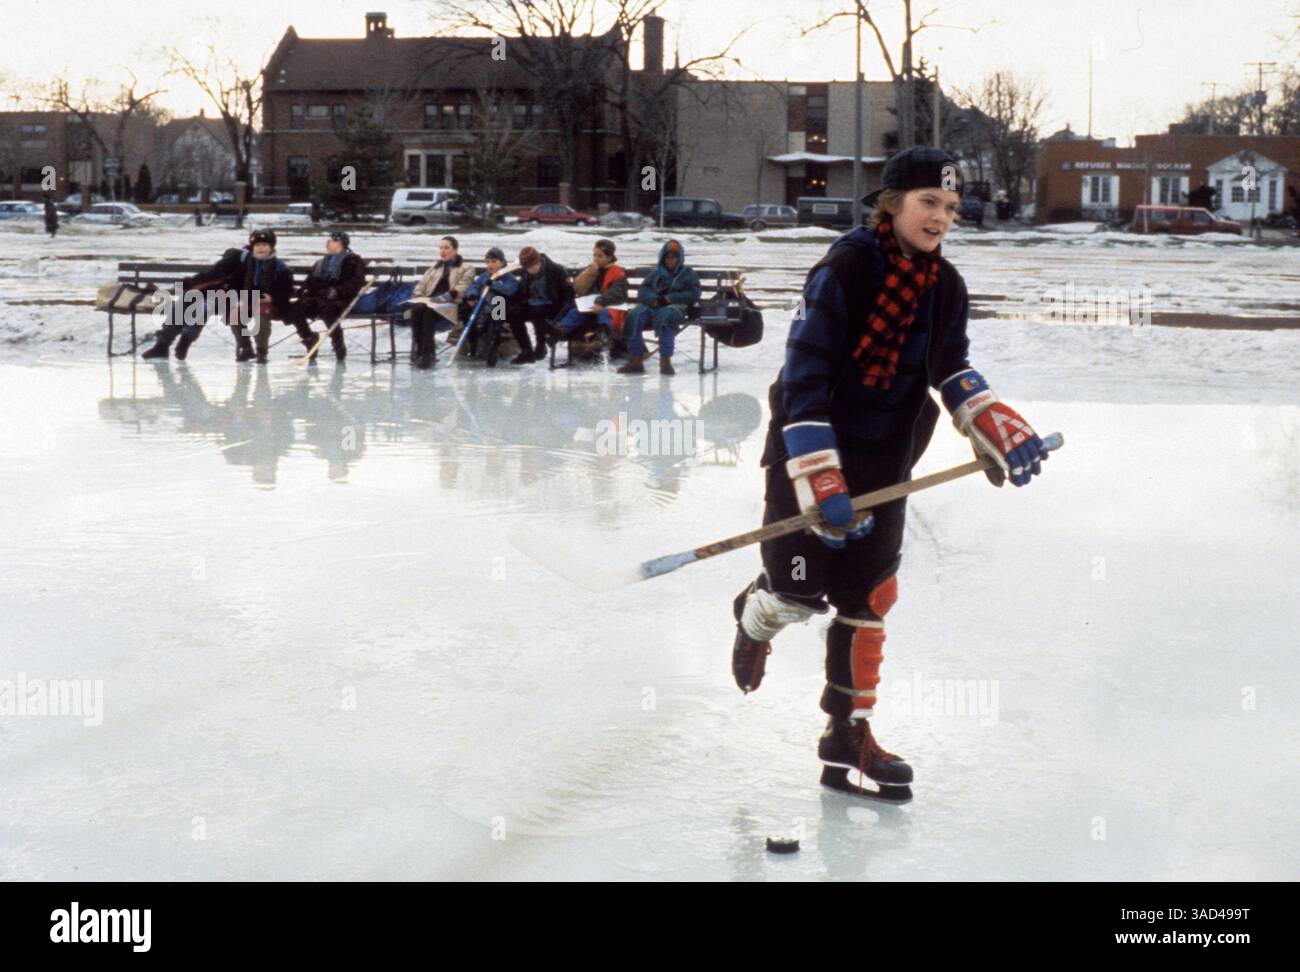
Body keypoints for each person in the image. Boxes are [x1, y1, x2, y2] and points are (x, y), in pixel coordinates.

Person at [728, 146, 1051, 798]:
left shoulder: (945, 286)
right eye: (929, 202)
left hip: (885, 461)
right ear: (893, 203)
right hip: (808, 450)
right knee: (796, 594)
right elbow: (804, 375)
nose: (941, 218)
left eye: (952, 208)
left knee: (868, 597)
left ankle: (848, 737)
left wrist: (991, 421)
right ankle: (755, 614)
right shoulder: (845, 269)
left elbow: (949, 369)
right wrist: (820, 474)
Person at [140, 229, 293, 363]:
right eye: (257, 245)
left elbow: (284, 289)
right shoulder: (239, 259)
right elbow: (213, 276)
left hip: (239, 301)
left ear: (271, 247)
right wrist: (187, 286)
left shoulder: (277, 266)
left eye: (264, 245)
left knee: (206, 305)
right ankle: (162, 345)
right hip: (227, 296)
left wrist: (271, 298)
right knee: (187, 300)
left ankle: (185, 339)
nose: (260, 248)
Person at [617, 239, 699, 376]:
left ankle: (665, 362)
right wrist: (654, 300)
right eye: (667, 257)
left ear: (680, 258)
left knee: (666, 317)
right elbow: (643, 290)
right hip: (652, 306)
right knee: (634, 316)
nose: (670, 260)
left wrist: (669, 298)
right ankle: (636, 360)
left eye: (674, 257)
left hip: (675, 307)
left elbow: (693, 293)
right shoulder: (656, 273)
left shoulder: (688, 273)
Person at [285, 230, 366, 360]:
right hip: (318, 297)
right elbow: (310, 280)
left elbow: (354, 282)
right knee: (295, 308)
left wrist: (336, 291)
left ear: (340, 243)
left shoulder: (352, 260)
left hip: (340, 299)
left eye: (331, 241)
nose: (327, 243)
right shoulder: (322, 262)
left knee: (328, 310)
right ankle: (309, 338)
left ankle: (338, 343)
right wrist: (305, 289)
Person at [407, 235, 475, 369]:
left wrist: (443, 298)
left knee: (428, 313)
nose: (442, 251)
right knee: (418, 309)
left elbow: (462, 288)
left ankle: (428, 354)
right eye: (441, 248)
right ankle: (418, 349)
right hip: (430, 302)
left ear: (455, 250)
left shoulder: (466, 268)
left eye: (446, 248)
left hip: (451, 304)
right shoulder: (434, 269)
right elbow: (421, 286)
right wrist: (418, 296)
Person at [553, 239, 628, 353]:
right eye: (594, 255)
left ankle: (603, 337)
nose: (595, 259)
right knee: (575, 312)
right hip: (590, 307)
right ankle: (558, 331)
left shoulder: (618, 272)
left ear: (609, 257)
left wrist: (600, 301)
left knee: (604, 314)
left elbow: (617, 293)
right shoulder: (592, 269)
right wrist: (590, 273)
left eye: (600, 256)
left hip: (609, 307)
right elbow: (579, 289)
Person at [459, 246, 522, 365]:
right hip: (484, 309)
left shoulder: (508, 277)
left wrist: (494, 285)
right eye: (487, 262)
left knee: (498, 307)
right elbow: (475, 286)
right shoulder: (484, 276)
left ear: (502, 262)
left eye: (493, 261)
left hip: (501, 310)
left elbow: (510, 290)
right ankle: (472, 344)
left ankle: (492, 350)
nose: (490, 265)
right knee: (465, 310)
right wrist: (471, 295)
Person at [512, 246, 573, 365]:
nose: (530, 270)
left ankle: (541, 346)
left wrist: (562, 315)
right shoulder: (525, 272)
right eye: (527, 268)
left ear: (538, 261)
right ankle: (526, 350)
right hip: (531, 304)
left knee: (536, 312)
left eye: (532, 266)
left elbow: (567, 296)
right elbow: (520, 293)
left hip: (552, 305)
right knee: (513, 314)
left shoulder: (556, 270)